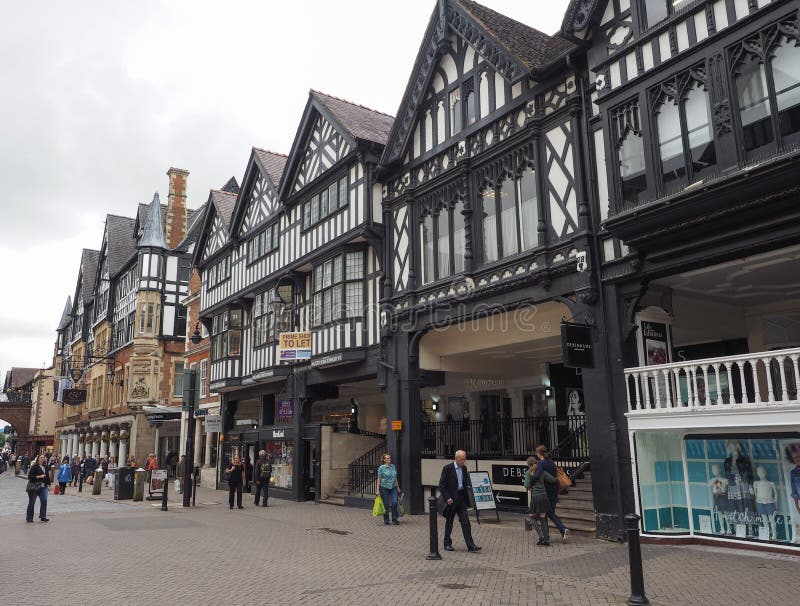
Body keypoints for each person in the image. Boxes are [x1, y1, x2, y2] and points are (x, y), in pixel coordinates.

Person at [438, 450, 481, 552]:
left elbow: (465, 483)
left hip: (461, 498)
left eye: (464, 459)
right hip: (451, 499)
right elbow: (442, 485)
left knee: (466, 522)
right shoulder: (447, 468)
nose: (463, 461)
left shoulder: (464, 468)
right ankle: (447, 543)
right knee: (449, 522)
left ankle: (471, 546)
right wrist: (447, 497)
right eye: (462, 459)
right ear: (456, 458)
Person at [530, 445, 568, 543]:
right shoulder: (551, 462)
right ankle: (547, 536)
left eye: (536, 453)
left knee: (548, 512)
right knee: (547, 513)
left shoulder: (541, 463)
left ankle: (562, 529)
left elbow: (537, 475)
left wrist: (531, 481)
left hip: (547, 491)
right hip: (555, 490)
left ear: (539, 454)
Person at [524, 450, 558, 546]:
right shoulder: (541, 471)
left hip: (536, 497)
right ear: (536, 462)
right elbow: (553, 479)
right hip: (544, 496)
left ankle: (541, 537)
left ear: (528, 465)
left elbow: (526, 485)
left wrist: (532, 489)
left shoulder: (528, 473)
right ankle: (546, 539)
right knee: (543, 517)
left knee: (532, 516)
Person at [376, 453, 401, 525]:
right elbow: (379, 479)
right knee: (386, 504)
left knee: (395, 502)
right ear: (384, 460)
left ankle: (394, 518)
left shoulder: (393, 466)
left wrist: (398, 487)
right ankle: (386, 520)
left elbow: (395, 477)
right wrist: (377, 490)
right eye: (387, 458)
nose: (389, 459)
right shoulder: (381, 468)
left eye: (389, 458)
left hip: (393, 487)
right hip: (384, 487)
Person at [26, 454, 51, 523]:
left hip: (43, 487)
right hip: (34, 487)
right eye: (41, 457)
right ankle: (29, 518)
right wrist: (39, 476)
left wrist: (49, 484)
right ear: (38, 459)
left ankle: (43, 516)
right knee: (32, 502)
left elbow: (47, 476)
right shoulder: (34, 466)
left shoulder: (46, 467)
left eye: (44, 457)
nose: (43, 458)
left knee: (44, 500)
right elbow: (30, 476)